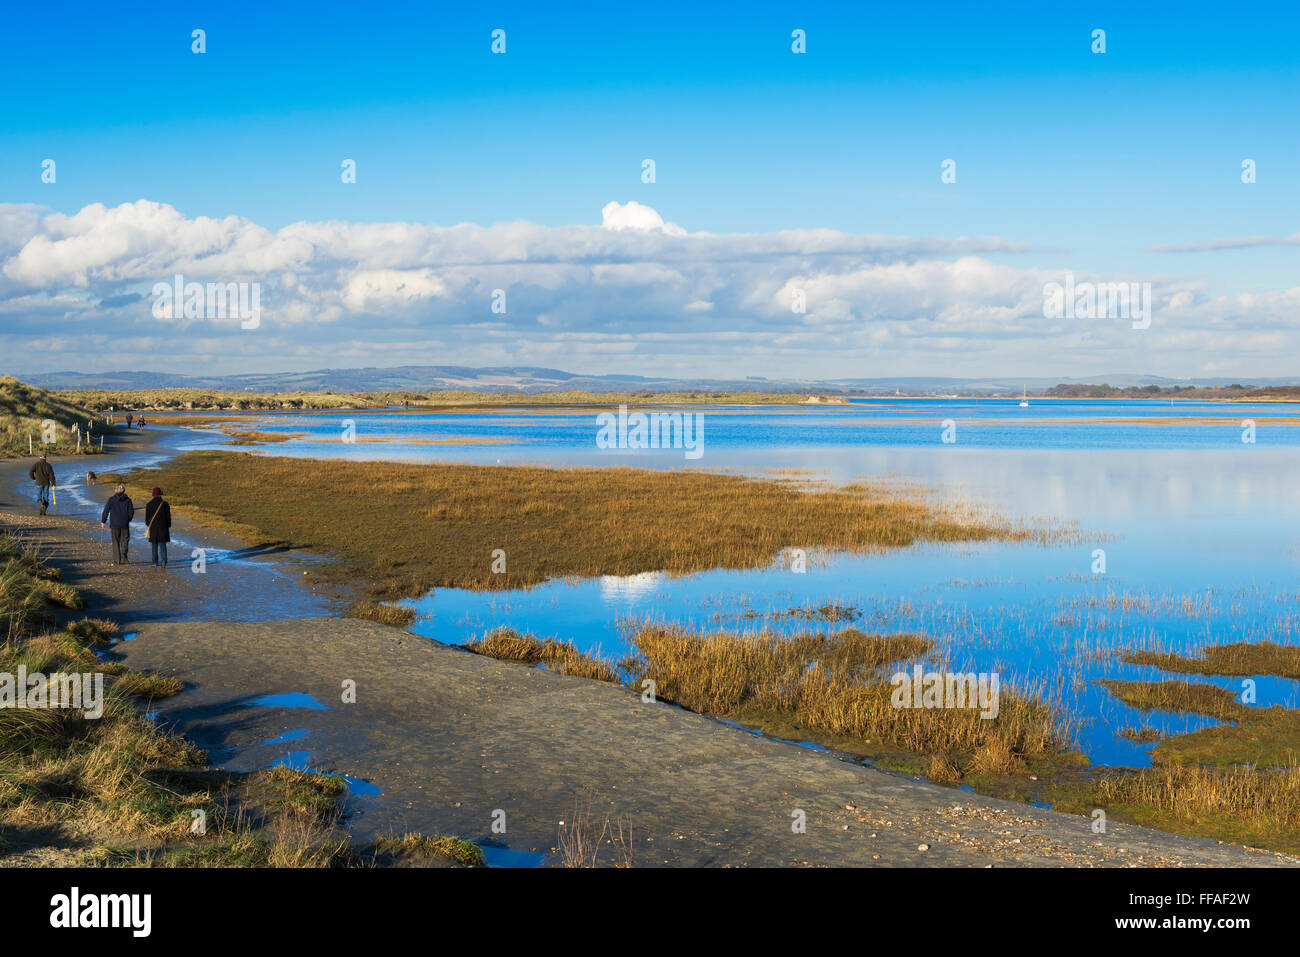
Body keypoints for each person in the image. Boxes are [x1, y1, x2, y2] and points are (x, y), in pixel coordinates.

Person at [100, 484, 135, 565]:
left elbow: (106, 511)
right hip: (124, 524)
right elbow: (131, 512)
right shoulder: (128, 500)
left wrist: (103, 521)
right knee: (125, 540)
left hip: (115, 524)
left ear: (116, 490)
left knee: (116, 541)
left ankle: (117, 560)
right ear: (124, 491)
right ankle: (123, 554)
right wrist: (128, 519)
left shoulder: (111, 499)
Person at [144, 487, 171, 569]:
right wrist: (168, 526)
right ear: (160, 494)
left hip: (153, 529)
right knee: (162, 545)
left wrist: (150, 525)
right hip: (163, 528)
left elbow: (147, 520)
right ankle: (164, 561)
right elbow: (168, 518)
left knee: (154, 545)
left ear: (153, 495)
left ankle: (154, 562)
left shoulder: (149, 504)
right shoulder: (165, 504)